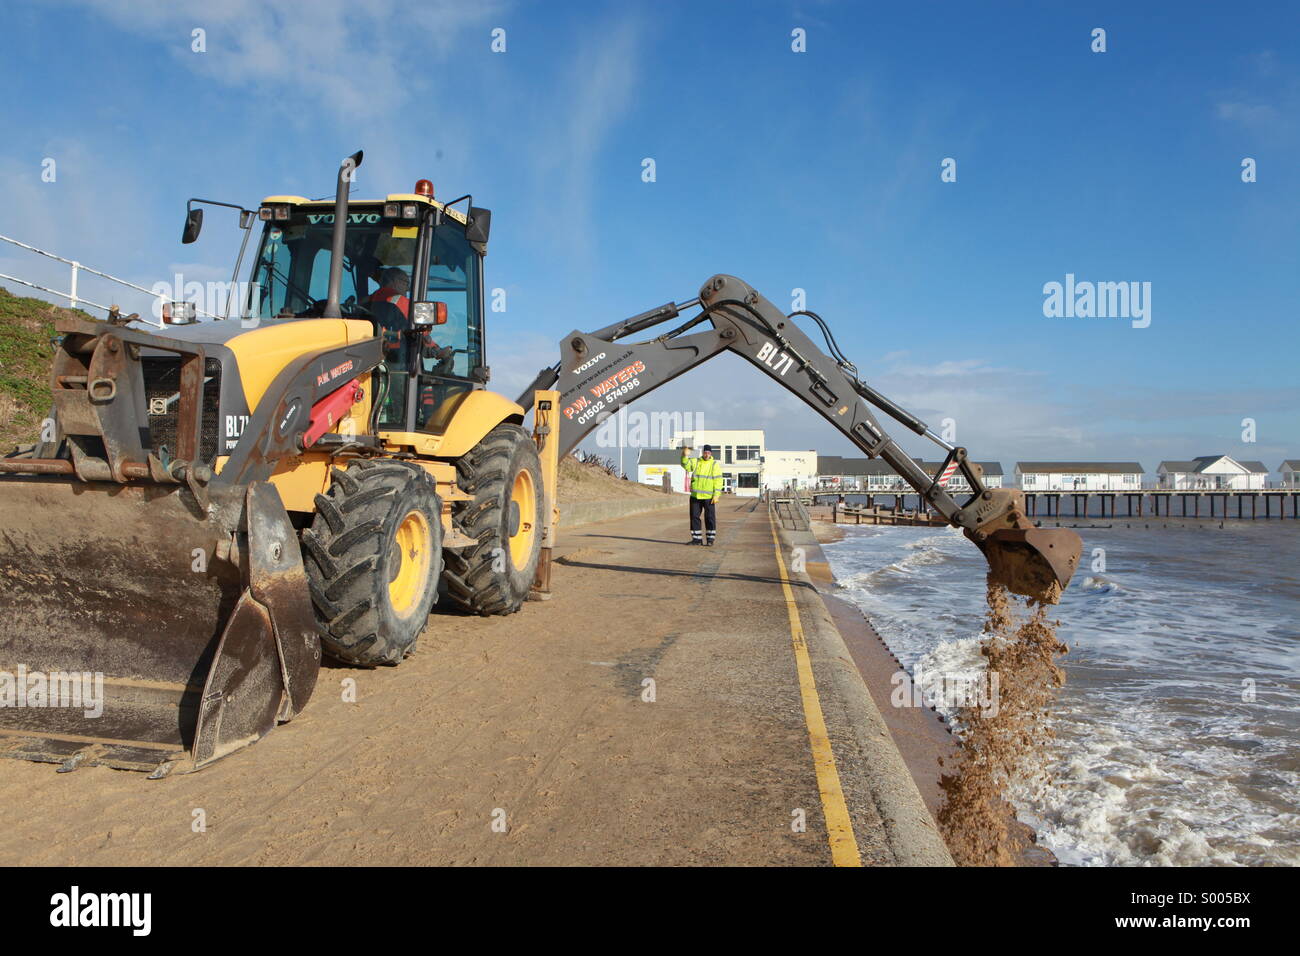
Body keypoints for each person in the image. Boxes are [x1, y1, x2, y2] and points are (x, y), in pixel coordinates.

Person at [680, 444, 723, 545]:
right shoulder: (696, 461)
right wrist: (684, 455)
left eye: (708, 453)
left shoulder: (714, 464)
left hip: (709, 497)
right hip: (695, 496)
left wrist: (716, 494)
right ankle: (697, 539)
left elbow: (718, 480)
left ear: (711, 453)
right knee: (694, 517)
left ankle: (710, 539)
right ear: (702, 452)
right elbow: (686, 465)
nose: (706, 454)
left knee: (710, 518)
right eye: (705, 452)